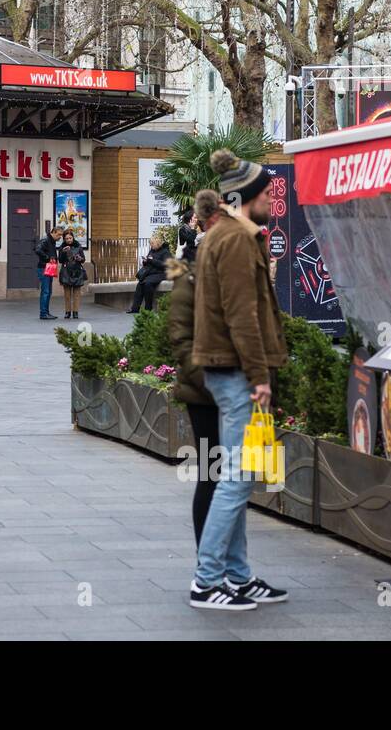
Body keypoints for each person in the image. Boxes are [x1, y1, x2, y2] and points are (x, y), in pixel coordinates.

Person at [189, 149, 289, 611]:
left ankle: (236, 575)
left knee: (236, 476)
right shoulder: (235, 240)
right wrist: (259, 375)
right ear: (249, 195)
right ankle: (207, 580)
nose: (272, 197)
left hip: (226, 370)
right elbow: (242, 316)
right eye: (268, 192)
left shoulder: (227, 235)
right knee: (237, 477)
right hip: (235, 372)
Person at [168, 189, 224, 548]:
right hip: (205, 386)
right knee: (213, 472)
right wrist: (210, 378)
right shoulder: (192, 268)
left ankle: (228, 568)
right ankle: (209, 567)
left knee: (223, 474)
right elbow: (182, 334)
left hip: (216, 383)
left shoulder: (210, 262)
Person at [128, 234, 171, 313]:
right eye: (150, 243)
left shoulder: (165, 252)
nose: (151, 245)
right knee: (140, 283)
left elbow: (166, 265)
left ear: (158, 243)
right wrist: (145, 261)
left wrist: (152, 260)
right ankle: (135, 308)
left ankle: (148, 308)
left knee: (148, 283)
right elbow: (149, 262)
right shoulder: (152, 250)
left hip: (162, 273)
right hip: (152, 273)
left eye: (152, 243)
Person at [34, 226, 63, 320]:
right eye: (59, 234)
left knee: (48, 291)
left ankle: (46, 312)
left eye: (61, 235)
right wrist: (47, 258)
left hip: (48, 268)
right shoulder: (46, 239)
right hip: (44, 268)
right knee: (46, 291)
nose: (60, 237)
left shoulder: (51, 240)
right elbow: (37, 249)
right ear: (53, 232)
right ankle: (43, 313)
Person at [57, 229, 87, 320]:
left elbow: (83, 260)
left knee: (76, 293)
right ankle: (67, 312)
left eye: (70, 238)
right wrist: (63, 252)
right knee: (67, 293)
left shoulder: (78, 246)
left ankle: (75, 312)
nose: (69, 240)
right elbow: (60, 260)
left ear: (73, 237)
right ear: (64, 239)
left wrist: (79, 258)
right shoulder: (62, 247)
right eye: (66, 238)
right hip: (66, 271)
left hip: (77, 271)